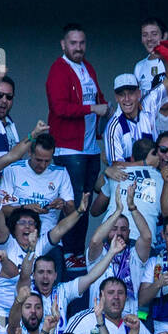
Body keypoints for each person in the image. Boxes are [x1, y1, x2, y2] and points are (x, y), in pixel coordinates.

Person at [46, 24, 107, 262]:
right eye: (73, 43)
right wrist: (92, 108)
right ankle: (66, 255)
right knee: (71, 206)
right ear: (64, 44)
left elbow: (98, 97)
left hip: (90, 149)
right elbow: (59, 107)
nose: (78, 47)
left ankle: (77, 256)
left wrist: (105, 107)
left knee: (84, 205)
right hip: (69, 149)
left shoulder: (87, 67)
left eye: (82, 43)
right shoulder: (58, 69)